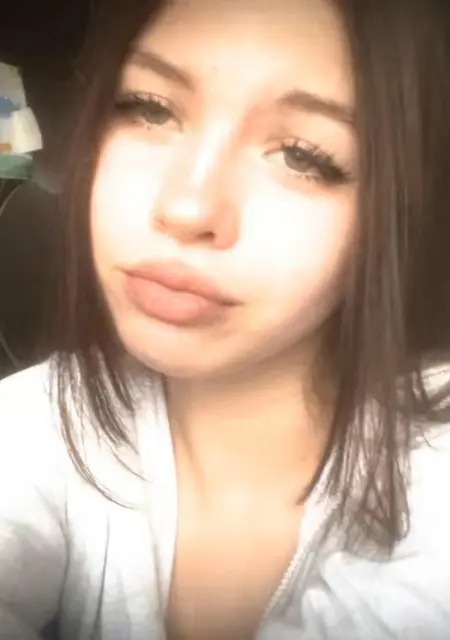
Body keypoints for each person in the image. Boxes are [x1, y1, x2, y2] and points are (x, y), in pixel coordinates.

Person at [1, 0, 450, 638]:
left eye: (303, 155)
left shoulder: (434, 471)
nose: (186, 207)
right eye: (149, 109)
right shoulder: (42, 421)